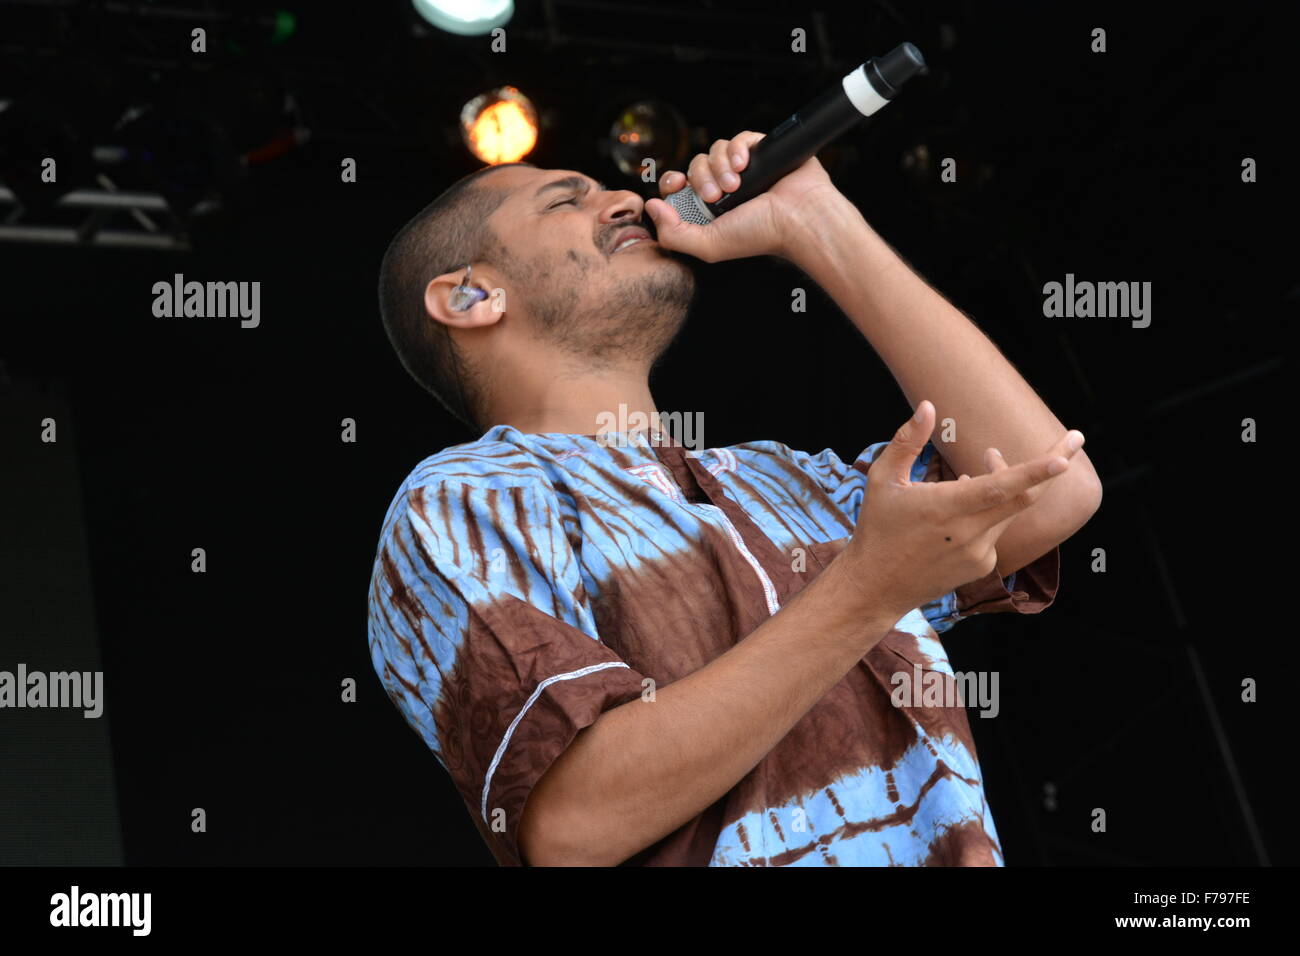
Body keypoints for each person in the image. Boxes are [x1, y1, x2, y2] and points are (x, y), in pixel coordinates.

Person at [366, 132, 1102, 866]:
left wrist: (817, 224)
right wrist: (869, 588)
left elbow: (1049, 485)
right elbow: (575, 824)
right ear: (468, 296)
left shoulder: (779, 476)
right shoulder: (462, 500)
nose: (629, 196)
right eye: (568, 197)